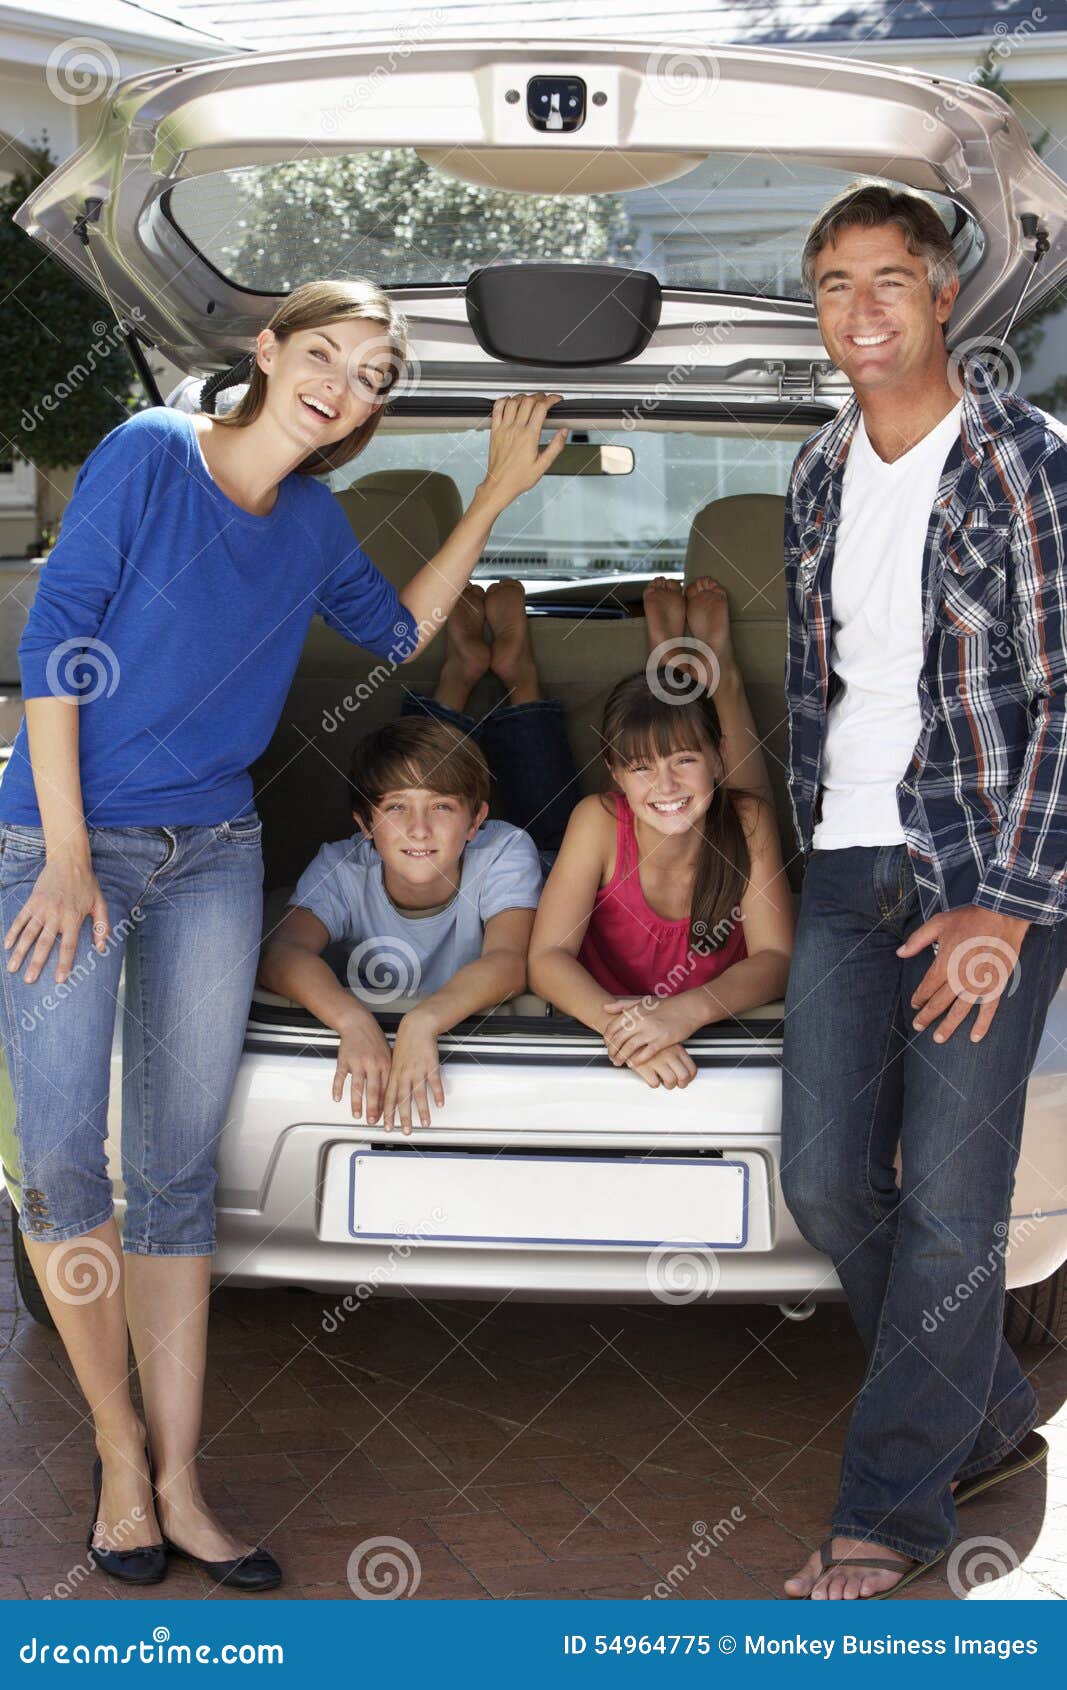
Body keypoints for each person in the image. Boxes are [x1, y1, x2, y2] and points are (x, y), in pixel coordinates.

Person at [0, 276, 567, 1591]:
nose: (343, 384)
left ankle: (185, 1486)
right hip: (59, 844)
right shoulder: (149, 453)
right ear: (267, 350)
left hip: (212, 853)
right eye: (325, 353)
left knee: (176, 1173)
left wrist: (487, 495)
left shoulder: (311, 520)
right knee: (64, 1171)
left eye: (371, 375)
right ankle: (120, 1459)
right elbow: (53, 643)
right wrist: (69, 855)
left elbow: (396, 632)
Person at [778, 184, 1067, 1600]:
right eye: (834, 283)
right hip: (843, 862)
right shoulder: (816, 472)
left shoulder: (1024, 460)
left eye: (888, 278)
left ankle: (891, 1509)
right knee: (826, 1181)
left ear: (945, 294)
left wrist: (1006, 907)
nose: (861, 309)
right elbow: (822, 685)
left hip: (979, 873)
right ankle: (994, 1414)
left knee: (950, 1212)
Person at [526, 577, 794, 1086]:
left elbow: (776, 958)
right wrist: (629, 1032)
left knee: (741, 807)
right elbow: (545, 957)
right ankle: (690, 669)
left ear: (720, 756)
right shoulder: (598, 821)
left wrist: (683, 1013)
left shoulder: (746, 820)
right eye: (641, 767)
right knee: (714, 789)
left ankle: (715, 673)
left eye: (685, 759)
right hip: (617, 1028)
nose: (665, 783)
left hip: (704, 1018)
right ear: (615, 773)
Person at [257, 716, 542, 1133]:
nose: (419, 829)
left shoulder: (504, 850)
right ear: (365, 824)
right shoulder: (342, 867)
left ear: (476, 821)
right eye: (395, 807)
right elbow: (281, 955)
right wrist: (351, 1020)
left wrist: (423, 1021)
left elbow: (509, 961)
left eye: (441, 806)